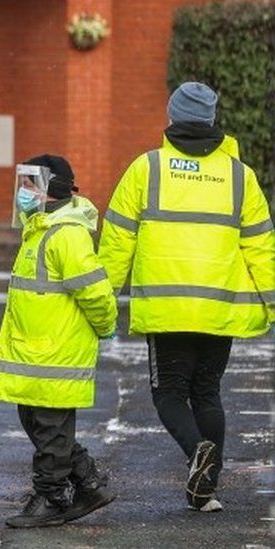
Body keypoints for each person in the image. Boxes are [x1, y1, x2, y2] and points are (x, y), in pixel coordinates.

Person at [98, 82, 275, 512]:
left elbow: (117, 242)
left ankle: (199, 452)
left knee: (170, 395)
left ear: (172, 117)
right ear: (213, 120)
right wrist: (271, 302)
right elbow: (261, 246)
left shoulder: (147, 169)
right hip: (218, 307)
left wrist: (100, 305)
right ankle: (205, 492)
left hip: (167, 308)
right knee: (208, 392)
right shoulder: (240, 175)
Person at [0, 155, 118, 528]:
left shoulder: (66, 235)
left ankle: (54, 496)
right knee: (39, 422)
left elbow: (96, 293)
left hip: (56, 354)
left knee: (50, 425)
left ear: (50, 190)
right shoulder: (40, 230)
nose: (22, 192)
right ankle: (88, 482)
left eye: (29, 184)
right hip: (37, 353)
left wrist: (107, 325)